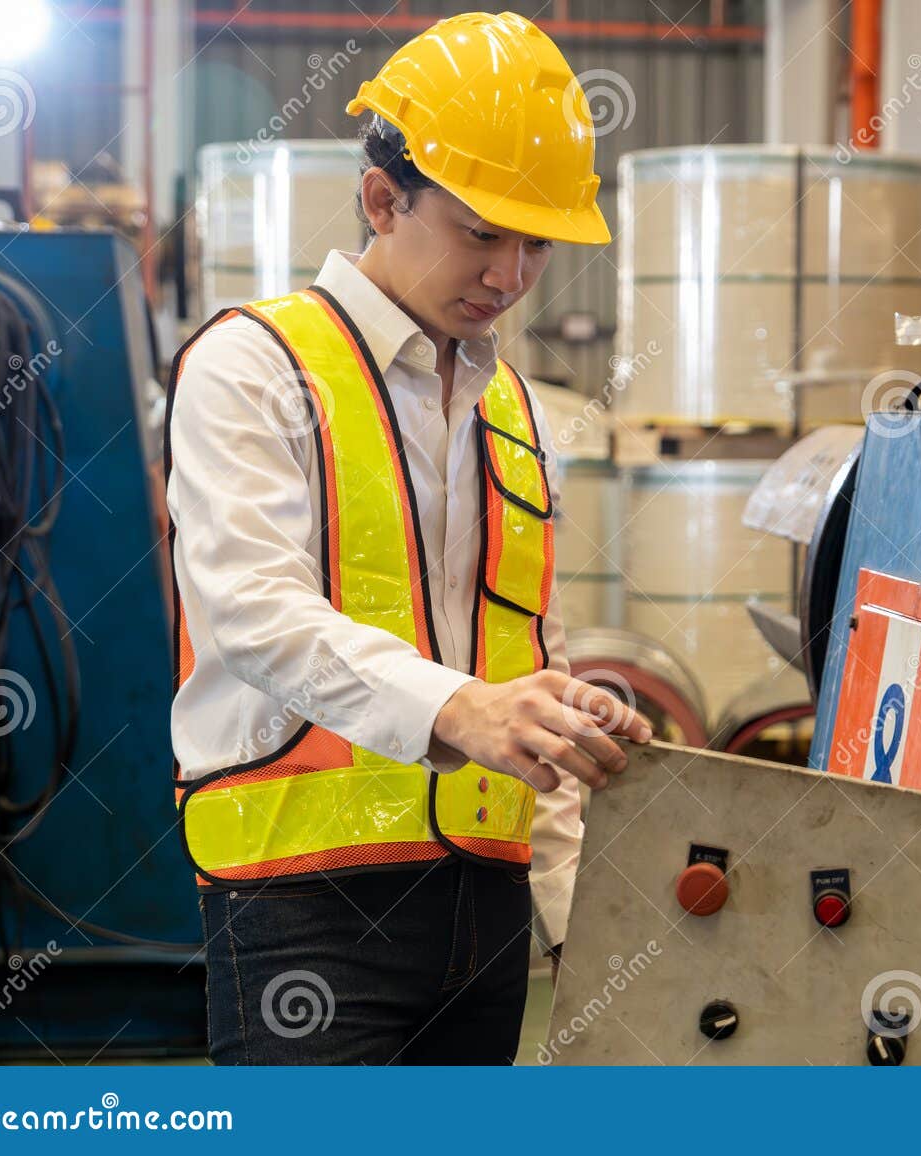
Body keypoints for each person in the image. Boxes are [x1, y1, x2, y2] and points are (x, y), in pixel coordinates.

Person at [164, 11, 647, 1065]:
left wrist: (578, 910)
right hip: (305, 905)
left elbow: (526, 653)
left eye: (536, 243)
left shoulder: (513, 407)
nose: (511, 275)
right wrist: (465, 709)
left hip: (487, 911)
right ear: (384, 200)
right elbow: (252, 612)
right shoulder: (254, 367)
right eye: (482, 233)